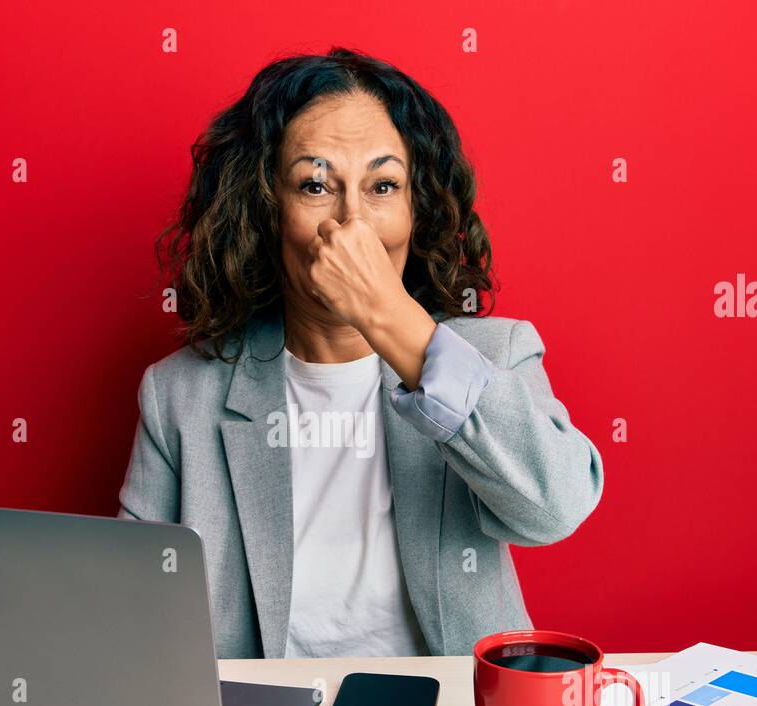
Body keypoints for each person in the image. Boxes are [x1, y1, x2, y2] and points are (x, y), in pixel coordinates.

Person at [118, 47, 603, 659]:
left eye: (382, 186)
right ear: (266, 211)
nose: (351, 224)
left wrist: (388, 316)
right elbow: (136, 620)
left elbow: (556, 509)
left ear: (415, 209)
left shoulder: (493, 353)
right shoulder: (180, 394)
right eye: (315, 185)